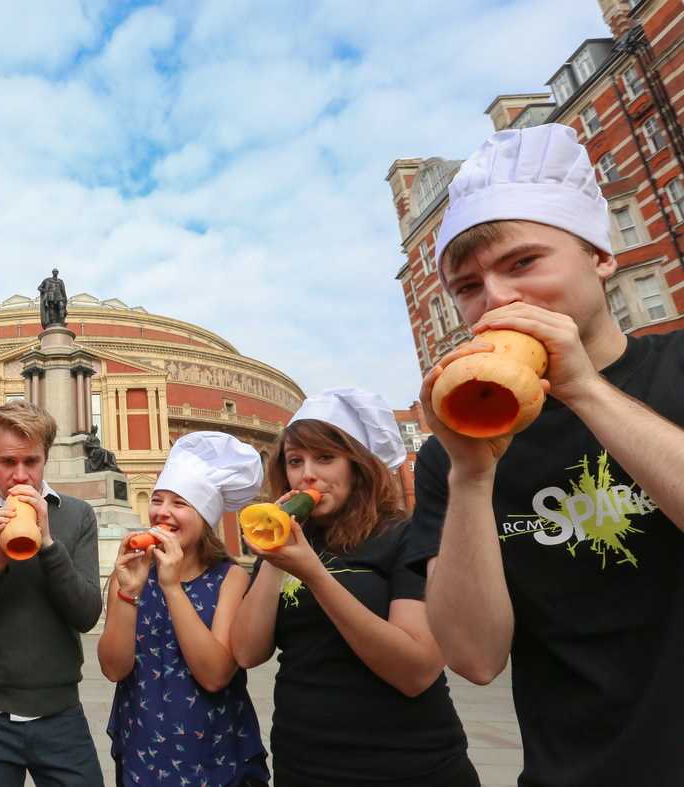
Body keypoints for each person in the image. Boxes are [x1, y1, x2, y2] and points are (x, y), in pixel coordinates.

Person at [410, 123, 684, 786]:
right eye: (468, 286)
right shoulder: (454, 452)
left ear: (601, 256)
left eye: (524, 263)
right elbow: (474, 657)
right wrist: (472, 476)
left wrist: (584, 388)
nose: (497, 299)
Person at [230, 389, 475, 787]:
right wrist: (275, 555)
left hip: (409, 767)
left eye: (325, 458)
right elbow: (246, 651)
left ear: (357, 466)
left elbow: (416, 671)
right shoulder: (287, 545)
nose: (307, 474)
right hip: (303, 763)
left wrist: (315, 576)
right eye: (295, 461)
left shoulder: (406, 536)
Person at [100, 432, 270, 787]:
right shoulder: (130, 574)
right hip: (142, 752)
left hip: (218, 753)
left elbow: (215, 675)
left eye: (180, 503)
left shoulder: (231, 579)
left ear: (204, 517)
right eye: (158, 500)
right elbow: (114, 669)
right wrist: (129, 592)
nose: (162, 511)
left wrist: (172, 586)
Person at [0, 400, 104, 787]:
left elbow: (86, 614)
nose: (20, 477)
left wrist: (49, 543)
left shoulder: (76, 514)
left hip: (61, 713)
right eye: (7, 462)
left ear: (46, 456)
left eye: (31, 462)